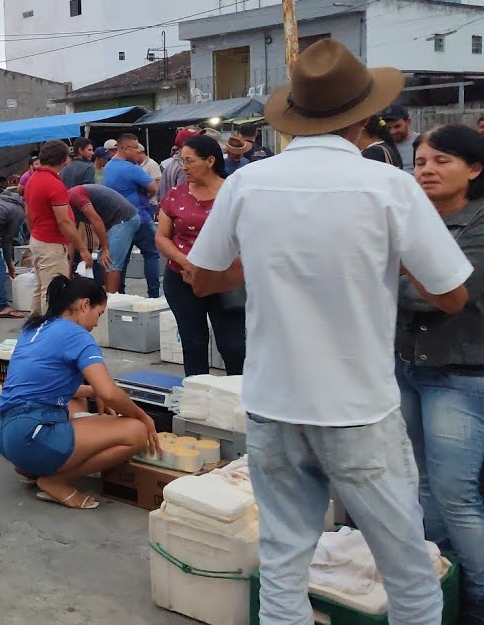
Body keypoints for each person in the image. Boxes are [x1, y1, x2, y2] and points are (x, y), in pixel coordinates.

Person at [187, 38, 470, 625]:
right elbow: (452, 294)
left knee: (285, 564)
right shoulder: (389, 186)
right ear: (364, 116)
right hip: (357, 404)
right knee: (408, 572)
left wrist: (270, 258)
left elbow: (205, 280)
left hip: (273, 402)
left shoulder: (248, 183)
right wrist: (381, 258)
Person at [396, 124, 484, 622]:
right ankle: (441, 586)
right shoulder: (416, 220)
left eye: (442, 160)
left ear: (474, 169)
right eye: (421, 161)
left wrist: (393, 275)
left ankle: (477, 602)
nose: (427, 169)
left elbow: (444, 298)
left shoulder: (479, 223)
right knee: (423, 483)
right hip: (408, 365)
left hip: (461, 373)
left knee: (458, 495)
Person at [0, 275, 159, 510]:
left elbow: (44, 384)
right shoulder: (78, 335)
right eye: (99, 314)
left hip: (5, 432)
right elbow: (110, 393)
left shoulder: (36, 327)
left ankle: (31, 467)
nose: (96, 323)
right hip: (31, 436)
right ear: (84, 305)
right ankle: (55, 479)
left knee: (79, 397)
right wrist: (143, 417)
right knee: (136, 433)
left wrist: (93, 391)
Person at [155, 134, 245, 377]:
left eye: (189, 161)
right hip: (181, 278)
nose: (183, 167)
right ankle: (197, 400)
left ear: (210, 161)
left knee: (234, 346)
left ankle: (238, 400)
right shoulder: (175, 194)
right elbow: (162, 236)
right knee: (193, 344)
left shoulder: (234, 192)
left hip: (225, 281)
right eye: (182, 161)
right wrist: (186, 262)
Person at [24, 141, 90, 313]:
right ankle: (49, 332)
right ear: (63, 160)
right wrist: (83, 249)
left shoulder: (32, 180)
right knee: (53, 292)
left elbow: (28, 213)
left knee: (41, 289)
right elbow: (64, 221)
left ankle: (34, 328)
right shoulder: (54, 184)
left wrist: (34, 233)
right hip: (51, 242)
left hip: (38, 238)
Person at [103, 134, 161, 298]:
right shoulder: (132, 169)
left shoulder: (108, 167)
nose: (138, 151)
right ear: (124, 148)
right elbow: (153, 188)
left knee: (121, 259)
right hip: (139, 216)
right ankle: (154, 294)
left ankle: (119, 295)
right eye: (135, 147)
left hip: (117, 220)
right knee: (151, 254)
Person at [68, 184, 138, 296]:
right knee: (102, 260)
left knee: (110, 261)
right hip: (111, 222)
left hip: (124, 218)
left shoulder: (75, 196)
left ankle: (112, 303)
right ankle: (107, 298)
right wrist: (68, 267)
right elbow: (71, 238)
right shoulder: (66, 210)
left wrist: (105, 248)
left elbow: (96, 220)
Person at [159, 127, 200, 196]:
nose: (200, 142)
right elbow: (183, 195)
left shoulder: (172, 163)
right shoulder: (184, 166)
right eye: (197, 140)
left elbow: (159, 193)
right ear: (185, 145)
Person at [382, 103, 418, 173]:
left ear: (408, 122)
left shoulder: (421, 142)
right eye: (388, 128)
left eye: (397, 126)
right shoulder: (381, 147)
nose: (392, 132)